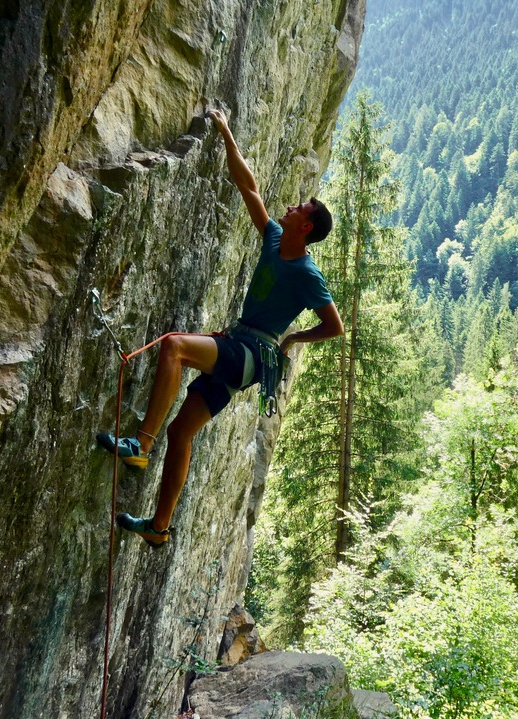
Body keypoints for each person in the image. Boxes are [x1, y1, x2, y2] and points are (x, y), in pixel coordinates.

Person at [98, 108, 344, 547]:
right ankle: (159, 527)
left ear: (305, 226)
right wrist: (227, 132)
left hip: (251, 356)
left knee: (174, 347)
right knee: (183, 431)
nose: (289, 207)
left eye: (298, 208)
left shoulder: (308, 273)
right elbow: (247, 185)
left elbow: (334, 326)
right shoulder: (273, 238)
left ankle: (140, 444)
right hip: (240, 350)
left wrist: (290, 339)